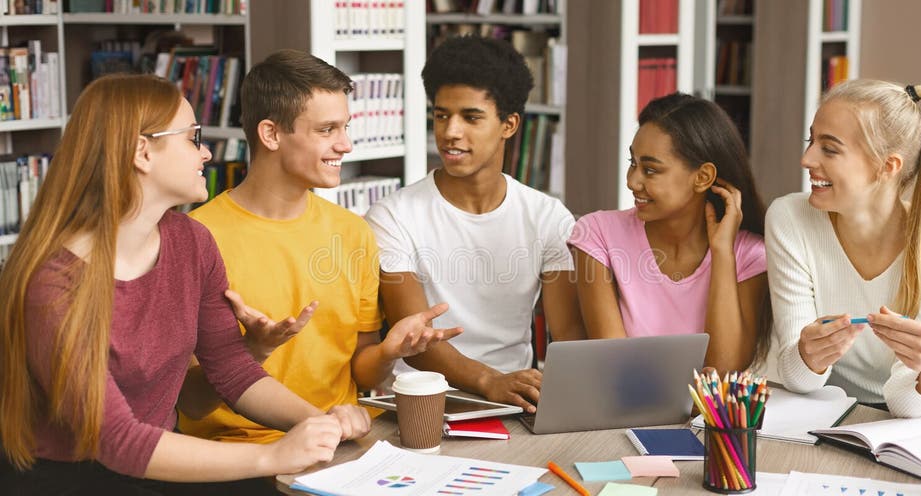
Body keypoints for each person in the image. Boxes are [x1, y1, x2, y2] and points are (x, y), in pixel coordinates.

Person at [0, 74, 351, 495]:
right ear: (141, 152)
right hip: (69, 479)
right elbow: (116, 439)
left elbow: (232, 369)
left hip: (159, 461)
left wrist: (320, 423)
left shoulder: (191, 241)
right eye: (191, 138)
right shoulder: (52, 281)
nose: (205, 152)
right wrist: (273, 456)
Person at [177, 49, 461, 444]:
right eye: (327, 130)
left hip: (343, 445)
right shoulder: (195, 238)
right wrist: (250, 350)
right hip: (241, 455)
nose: (345, 145)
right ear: (271, 134)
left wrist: (389, 352)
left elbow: (361, 372)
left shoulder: (353, 233)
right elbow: (190, 401)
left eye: (345, 127)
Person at [365, 35, 585, 413]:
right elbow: (413, 340)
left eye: (471, 117)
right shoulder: (392, 216)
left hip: (516, 401)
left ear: (509, 124)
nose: (450, 132)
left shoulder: (548, 218)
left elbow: (567, 336)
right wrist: (487, 380)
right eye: (441, 115)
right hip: (421, 400)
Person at [768, 79, 921, 420]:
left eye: (830, 148)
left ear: (888, 166)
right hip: (835, 409)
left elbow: (906, 405)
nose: (806, 158)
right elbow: (798, 380)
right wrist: (808, 355)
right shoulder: (789, 219)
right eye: (811, 140)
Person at [568, 93, 769, 373]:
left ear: (702, 177)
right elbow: (616, 367)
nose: (632, 181)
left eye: (650, 170)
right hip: (627, 414)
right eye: (633, 163)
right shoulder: (597, 235)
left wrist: (722, 253)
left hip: (705, 418)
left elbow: (722, 369)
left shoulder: (749, 255)